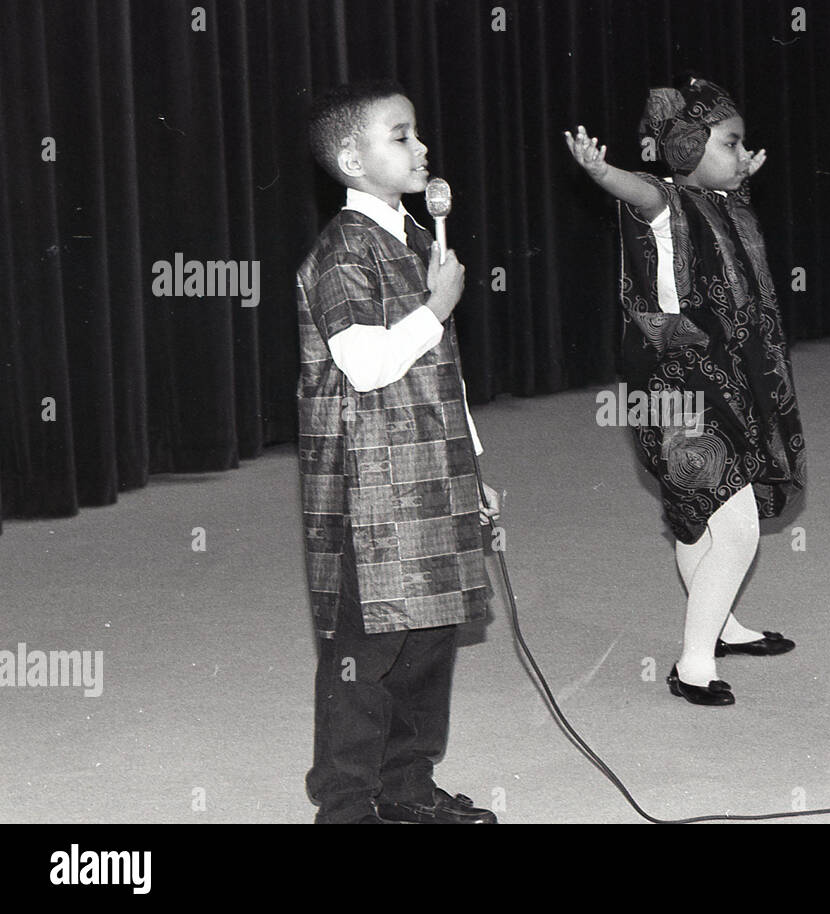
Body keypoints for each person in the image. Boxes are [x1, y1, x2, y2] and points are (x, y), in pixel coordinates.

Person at [564, 77, 807, 707]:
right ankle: (693, 664)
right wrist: (600, 170)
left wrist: (738, 171)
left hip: (726, 378)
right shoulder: (668, 200)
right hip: (680, 387)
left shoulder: (723, 202)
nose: (743, 153)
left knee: (701, 519)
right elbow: (640, 189)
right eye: (731, 143)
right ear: (690, 147)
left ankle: (720, 625)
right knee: (735, 530)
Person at [297, 80, 500, 823]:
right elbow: (366, 364)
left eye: (418, 134)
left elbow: (445, 375)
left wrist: (471, 463)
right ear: (352, 158)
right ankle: (346, 806)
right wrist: (437, 307)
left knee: (431, 634)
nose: (422, 149)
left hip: (430, 466)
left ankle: (405, 788)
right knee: (368, 649)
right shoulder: (342, 250)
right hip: (371, 487)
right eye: (401, 136)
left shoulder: (416, 238)